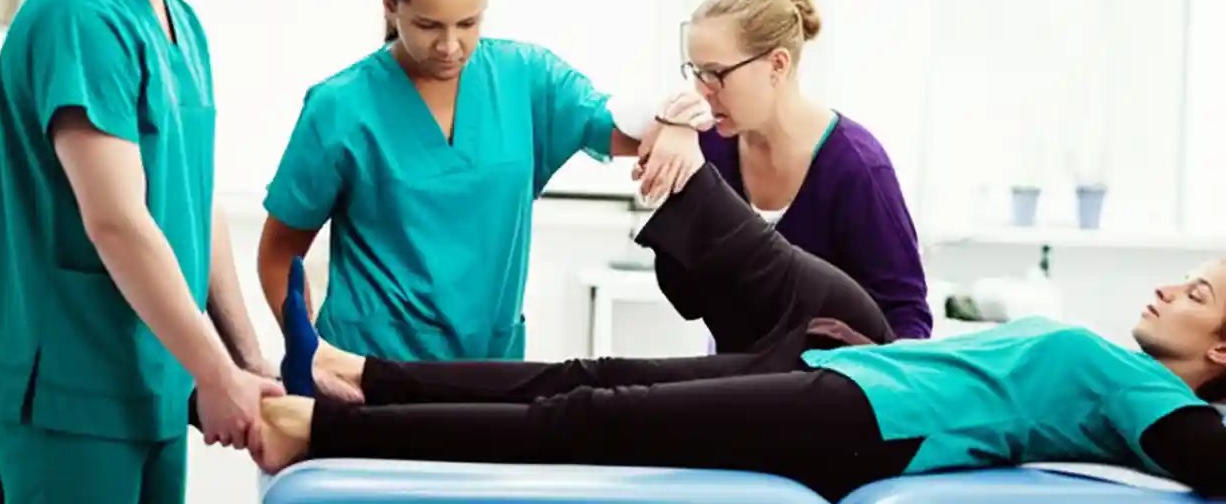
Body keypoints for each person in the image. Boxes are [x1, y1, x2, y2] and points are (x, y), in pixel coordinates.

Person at [246, 124, 1225, 503]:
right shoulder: (1120, 375)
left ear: (1220, 348)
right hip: (844, 375)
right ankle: (367, 374)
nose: (1164, 288)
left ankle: (322, 427)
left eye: (1195, 293)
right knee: (593, 376)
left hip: (862, 428)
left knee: (593, 422)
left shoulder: (1152, 398)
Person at [0, 0, 289, 503]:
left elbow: (195, 209)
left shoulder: (183, 28)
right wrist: (213, 370)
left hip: (156, 382)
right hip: (74, 390)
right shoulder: (79, 13)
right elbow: (115, 218)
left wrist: (245, 362)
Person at [256, 0, 712, 367]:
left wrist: (675, 122)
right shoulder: (341, 107)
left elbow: (621, 123)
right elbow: (279, 251)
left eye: (468, 24)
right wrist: (310, 350)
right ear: (389, 4)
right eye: (428, 25)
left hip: (489, 369)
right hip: (369, 369)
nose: (450, 46)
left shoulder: (527, 79)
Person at [679, 0, 933, 341]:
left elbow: (907, 317)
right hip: (741, 377)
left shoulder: (858, 169)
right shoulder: (710, 148)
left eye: (716, 74)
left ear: (777, 65)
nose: (701, 91)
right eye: (696, 72)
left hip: (829, 384)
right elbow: (695, 294)